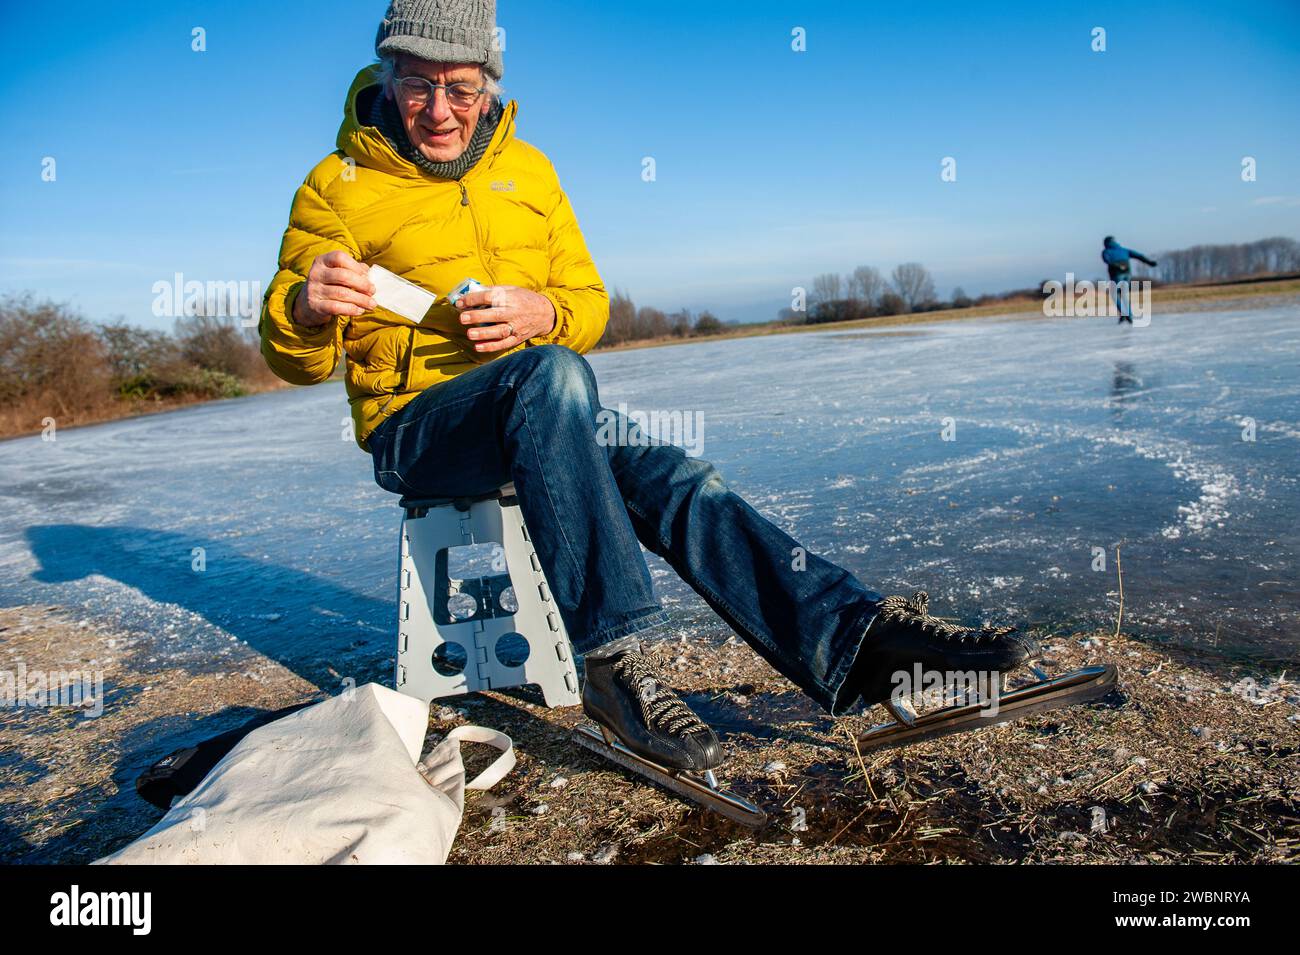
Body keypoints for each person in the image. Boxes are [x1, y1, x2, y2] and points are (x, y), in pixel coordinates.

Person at [259, 0, 1037, 776]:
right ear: (387, 77)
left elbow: (589, 305)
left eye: (459, 88)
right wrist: (302, 307)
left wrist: (543, 310)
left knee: (675, 476)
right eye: (416, 85)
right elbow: (294, 359)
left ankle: (856, 642)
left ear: (489, 85)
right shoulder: (337, 185)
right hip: (420, 431)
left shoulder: (529, 173)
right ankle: (611, 662)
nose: (438, 110)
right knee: (554, 376)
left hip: (543, 410)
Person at [1101, 236, 1158, 324]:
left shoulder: (1106, 251)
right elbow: (1139, 256)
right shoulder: (1124, 250)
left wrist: (1118, 266)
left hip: (1116, 274)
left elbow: (1107, 261)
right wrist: (1149, 262)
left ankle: (1125, 314)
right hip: (1127, 274)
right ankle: (1129, 315)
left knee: (1114, 294)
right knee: (1123, 294)